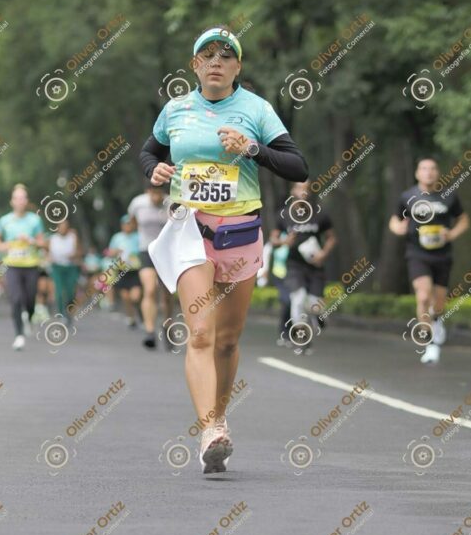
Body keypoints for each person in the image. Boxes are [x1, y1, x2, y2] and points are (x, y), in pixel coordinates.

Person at [140, 25, 308, 473]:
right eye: (207, 55)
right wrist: (154, 169)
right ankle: (211, 430)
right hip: (189, 231)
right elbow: (149, 152)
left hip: (240, 232)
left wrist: (251, 148)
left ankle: (219, 416)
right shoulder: (175, 109)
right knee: (200, 334)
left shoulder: (257, 109)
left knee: (228, 340)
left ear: (238, 67)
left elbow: (298, 166)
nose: (216, 61)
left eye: (226, 55)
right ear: (194, 65)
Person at [389, 157, 469, 364]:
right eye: (424, 169)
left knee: (439, 303)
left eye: (432, 168)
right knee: (423, 296)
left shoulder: (449, 196)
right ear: (417, 173)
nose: (428, 172)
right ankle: (430, 342)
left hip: (442, 255)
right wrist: (398, 228)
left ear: (438, 173)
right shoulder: (408, 197)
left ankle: (437, 320)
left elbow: (463, 220)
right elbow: (395, 219)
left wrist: (452, 234)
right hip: (417, 253)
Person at [271, 181, 336, 354]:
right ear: (293, 191)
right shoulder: (284, 215)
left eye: (306, 189)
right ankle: (301, 338)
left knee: (315, 304)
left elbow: (331, 237)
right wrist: (284, 241)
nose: (303, 192)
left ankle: (320, 316)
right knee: (298, 299)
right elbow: (273, 239)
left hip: (315, 267)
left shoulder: (319, 214)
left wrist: (323, 253)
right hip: (294, 266)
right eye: (300, 188)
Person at [0, 183, 47, 350]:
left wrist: (31, 241)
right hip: (13, 265)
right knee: (15, 299)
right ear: (12, 201)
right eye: (17, 198)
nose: (20, 201)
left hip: (31, 265)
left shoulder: (34, 220)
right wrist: (1, 246)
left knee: (30, 299)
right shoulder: (5, 220)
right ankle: (19, 335)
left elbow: (42, 242)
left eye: (23, 198)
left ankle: (29, 317)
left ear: (26, 201)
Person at [127, 184, 173, 348]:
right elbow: (132, 222)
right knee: (150, 289)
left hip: (167, 252)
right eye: (153, 193)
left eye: (159, 193)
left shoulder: (171, 203)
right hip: (146, 251)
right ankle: (150, 331)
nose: (156, 197)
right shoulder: (138, 203)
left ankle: (167, 325)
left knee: (167, 294)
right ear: (147, 192)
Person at [107, 215, 142, 327]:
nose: (128, 226)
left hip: (135, 270)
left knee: (135, 297)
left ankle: (140, 310)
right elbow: (110, 252)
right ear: (122, 225)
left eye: (130, 224)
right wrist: (115, 251)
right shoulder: (117, 238)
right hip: (121, 270)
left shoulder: (138, 236)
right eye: (126, 224)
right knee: (126, 297)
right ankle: (130, 317)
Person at [48, 216, 81, 321]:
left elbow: (79, 252)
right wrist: (49, 258)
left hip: (70, 267)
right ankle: (61, 313)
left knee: (70, 292)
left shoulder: (73, 237)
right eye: (61, 226)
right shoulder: (53, 238)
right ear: (57, 228)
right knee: (59, 291)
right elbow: (48, 253)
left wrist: (73, 255)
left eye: (65, 226)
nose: (63, 229)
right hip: (57, 267)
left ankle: (69, 310)